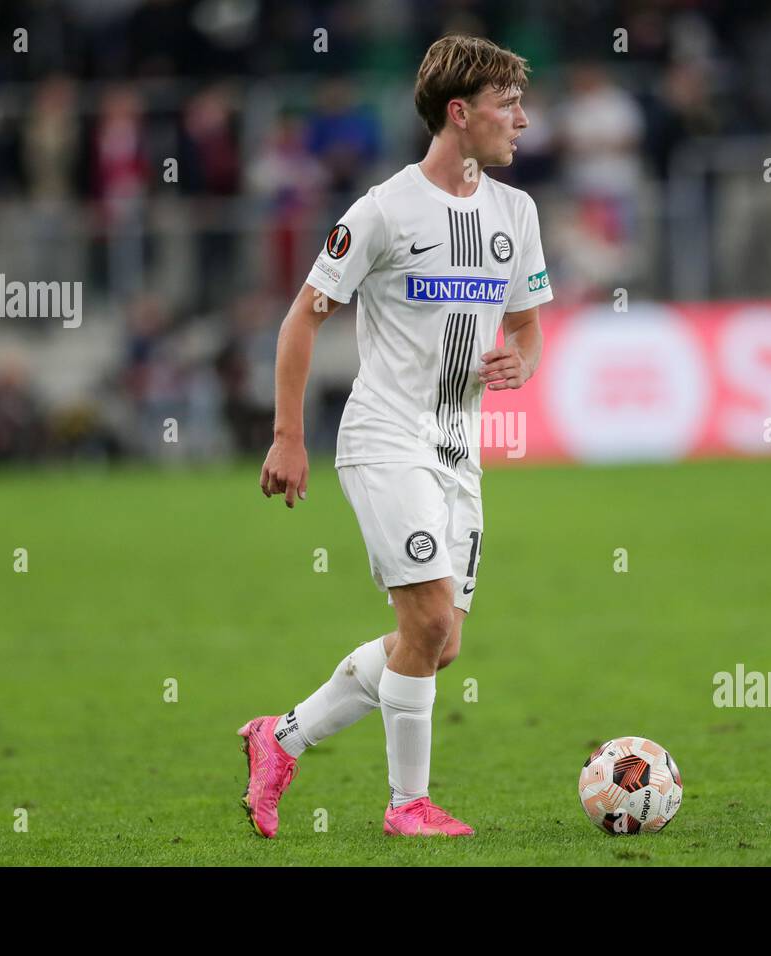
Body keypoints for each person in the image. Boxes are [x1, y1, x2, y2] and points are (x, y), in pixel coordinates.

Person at [237, 34, 553, 838]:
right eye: (506, 104)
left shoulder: (517, 213)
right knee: (429, 625)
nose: (522, 118)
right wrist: (287, 435)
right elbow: (301, 320)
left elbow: (526, 326)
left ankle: (280, 739)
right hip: (384, 439)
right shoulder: (382, 210)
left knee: (438, 644)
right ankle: (406, 805)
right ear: (460, 114)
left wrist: (521, 360)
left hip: (458, 453)